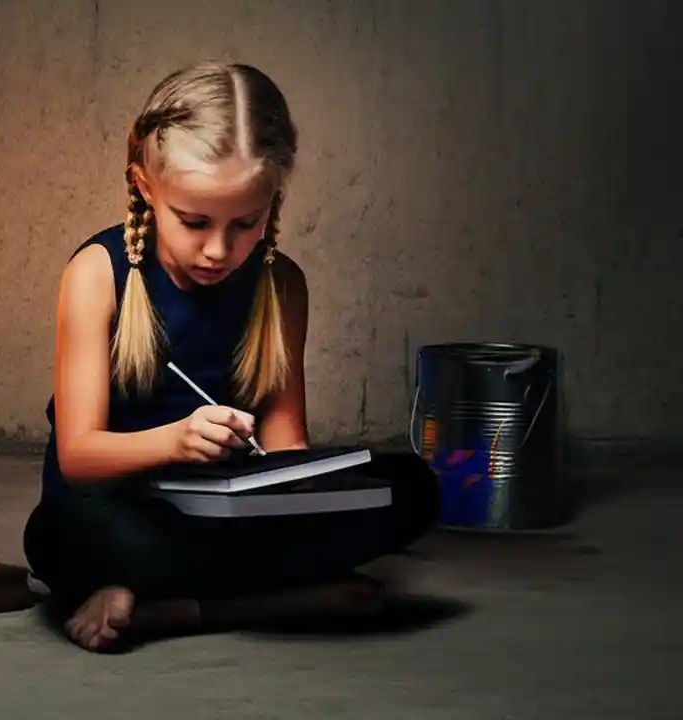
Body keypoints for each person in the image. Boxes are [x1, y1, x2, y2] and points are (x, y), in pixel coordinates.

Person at [23, 61, 439, 653]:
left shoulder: (282, 284)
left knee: (410, 488)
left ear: (274, 199)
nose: (218, 250)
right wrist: (176, 441)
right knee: (56, 535)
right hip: (125, 508)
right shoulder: (100, 272)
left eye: (246, 223)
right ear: (145, 187)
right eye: (193, 222)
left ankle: (164, 605)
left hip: (229, 513)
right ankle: (277, 601)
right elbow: (79, 456)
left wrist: (293, 485)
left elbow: (286, 444)